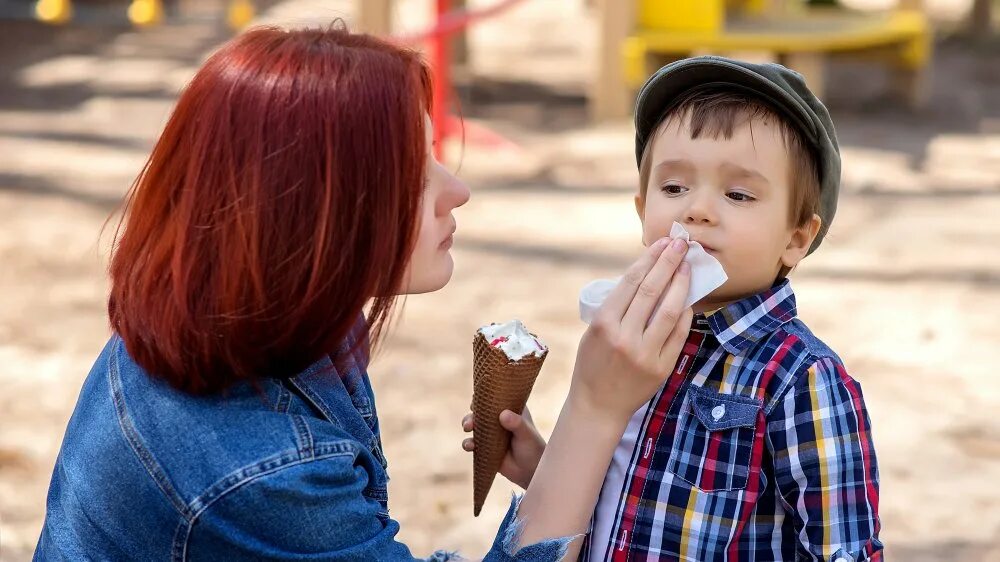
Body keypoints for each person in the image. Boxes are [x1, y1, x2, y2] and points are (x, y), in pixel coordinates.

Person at [32, 25, 697, 561]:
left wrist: (558, 466)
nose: (456, 189)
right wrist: (595, 407)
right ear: (316, 210)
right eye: (412, 168)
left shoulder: (221, 323)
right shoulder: (265, 468)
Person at [464, 57, 883, 561]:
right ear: (642, 210)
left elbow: (846, 550)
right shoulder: (628, 344)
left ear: (796, 238)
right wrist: (547, 466)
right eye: (674, 188)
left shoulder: (803, 381)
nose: (696, 209)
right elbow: (635, 501)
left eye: (738, 193)